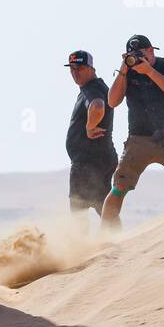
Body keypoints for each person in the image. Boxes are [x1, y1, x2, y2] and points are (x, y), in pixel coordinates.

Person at [100, 35, 164, 228]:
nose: (137, 58)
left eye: (140, 53)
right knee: (119, 186)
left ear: (151, 51)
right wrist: (123, 70)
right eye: (132, 55)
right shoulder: (127, 72)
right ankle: (105, 236)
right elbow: (112, 102)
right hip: (138, 139)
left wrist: (149, 71)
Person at [64, 50, 116, 220]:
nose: (74, 72)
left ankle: (82, 246)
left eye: (79, 68)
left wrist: (89, 126)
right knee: (104, 207)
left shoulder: (92, 89)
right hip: (99, 158)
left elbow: (98, 106)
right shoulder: (93, 88)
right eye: (71, 68)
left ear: (91, 68)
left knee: (79, 211)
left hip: (89, 161)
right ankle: (118, 241)